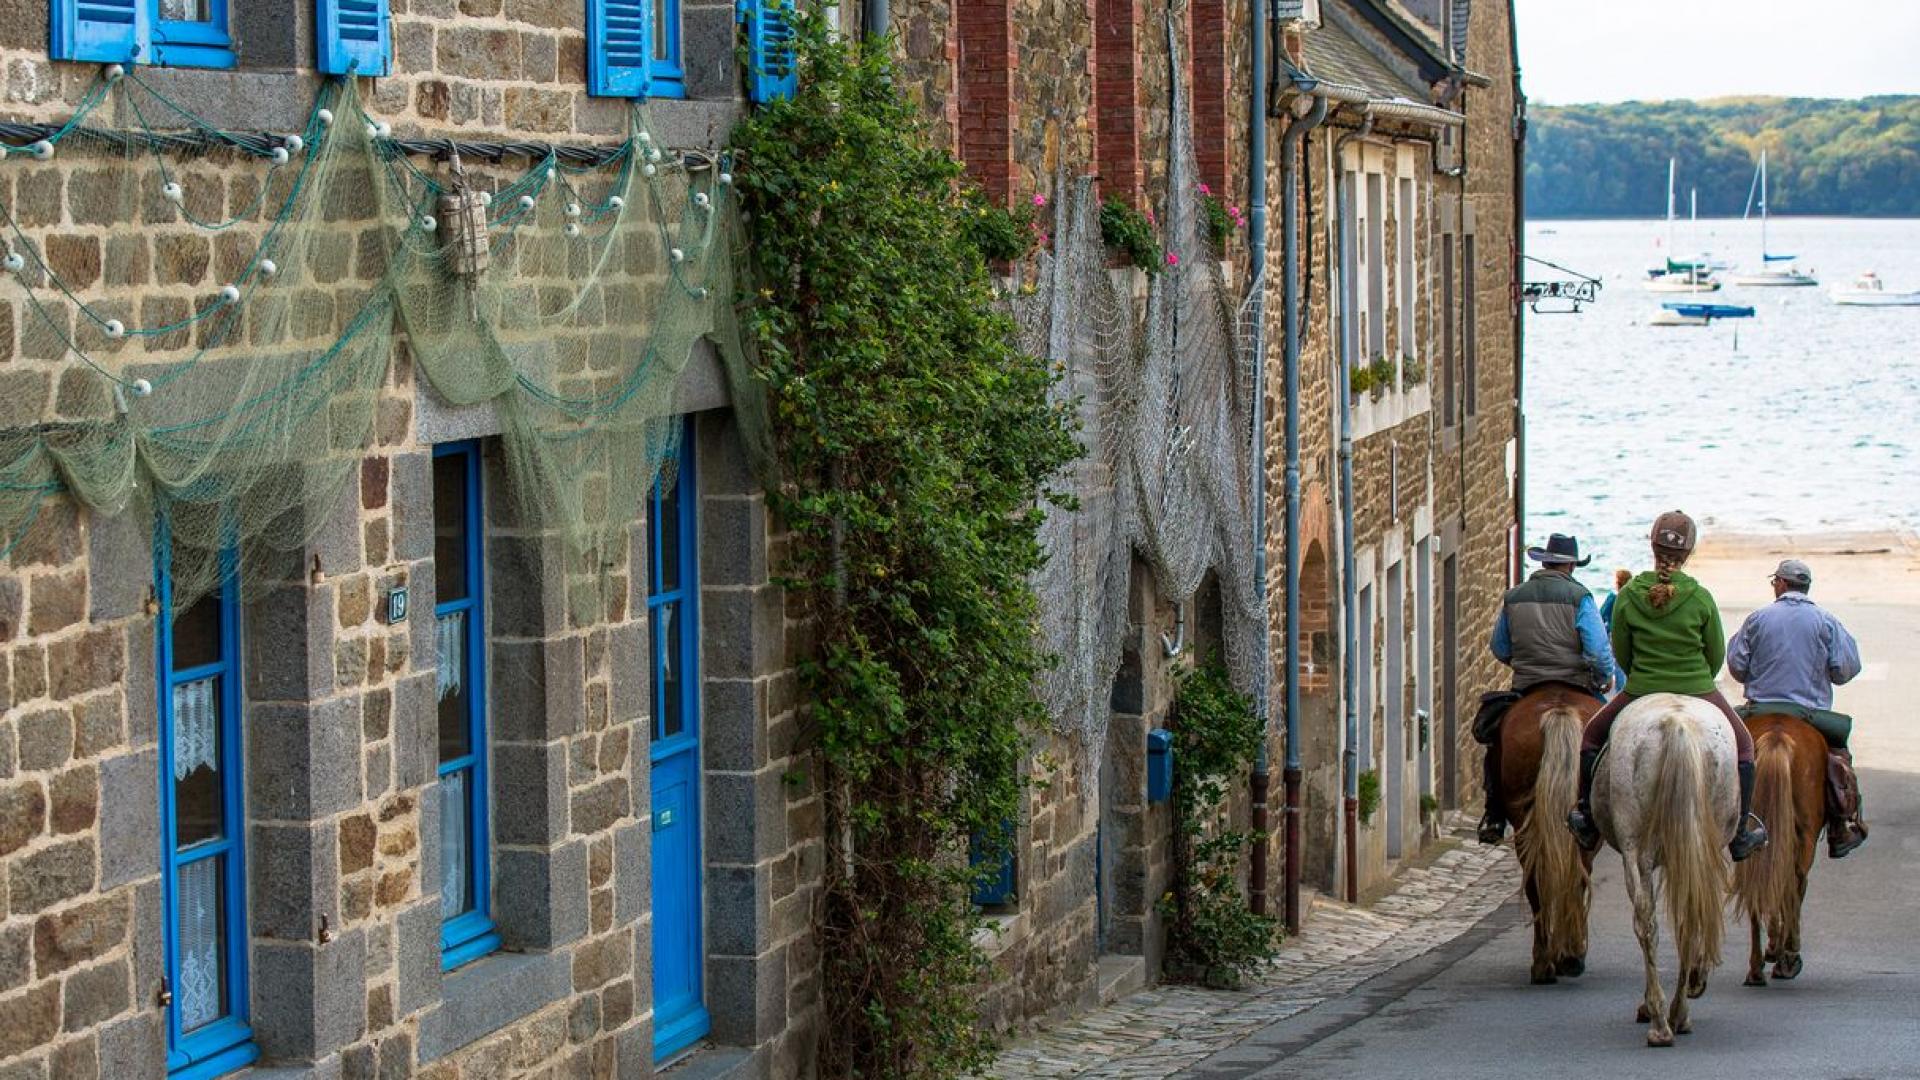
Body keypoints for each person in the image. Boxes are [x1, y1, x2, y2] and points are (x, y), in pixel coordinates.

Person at [1566, 511, 1768, 861]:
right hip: (1698, 687)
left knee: (1591, 737)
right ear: (1688, 554)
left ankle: (1585, 815)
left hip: (1642, 687)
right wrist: (1692, 677)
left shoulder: (1629, 594)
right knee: (1745, 747)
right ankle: (1738, 834)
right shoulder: (1700, 597)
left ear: (1652, 546)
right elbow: (1716, 654)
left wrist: (1645, 676)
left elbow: (1622, 653)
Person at [1475, 533, 1617, 844]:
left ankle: (1494, 815)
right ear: (1571, 567)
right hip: (1577, 683)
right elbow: (1597, 651)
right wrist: (1604, 677)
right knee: (1608, 739)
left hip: (1528, 686)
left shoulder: (1515, 597)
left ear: (1545, 561)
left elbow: (1499, 647)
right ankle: (1606, 811)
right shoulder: (1581, 597)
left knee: (1495, 742)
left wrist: (1527, 662)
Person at [1727, 559, 1869, 858]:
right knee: (1839, 757)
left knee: (1721, 744)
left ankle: (1711, 818)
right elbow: (1845, 670)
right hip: (1810, 715)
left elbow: (1738, 667)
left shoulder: (1757, 618)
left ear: (1780, 584)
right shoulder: (1826, 620)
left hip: (1759, 711)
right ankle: (1840, 826)